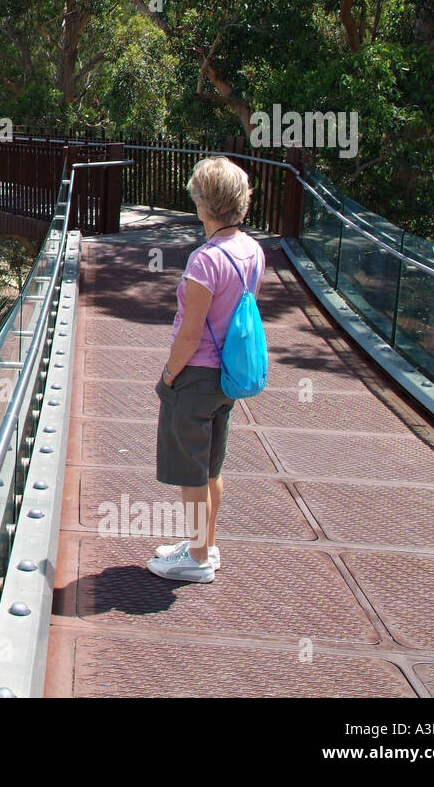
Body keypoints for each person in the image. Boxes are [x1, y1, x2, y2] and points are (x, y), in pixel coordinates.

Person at [147, 156, 264, 584]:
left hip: (195, 375)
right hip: (229, 377)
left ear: (204, 204)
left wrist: (168, 376)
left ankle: (196, 560)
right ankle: (205, 545)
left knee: (191, 472)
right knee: (212, 466)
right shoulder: (253, 250)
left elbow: (190, 334)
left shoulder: (204, 260)